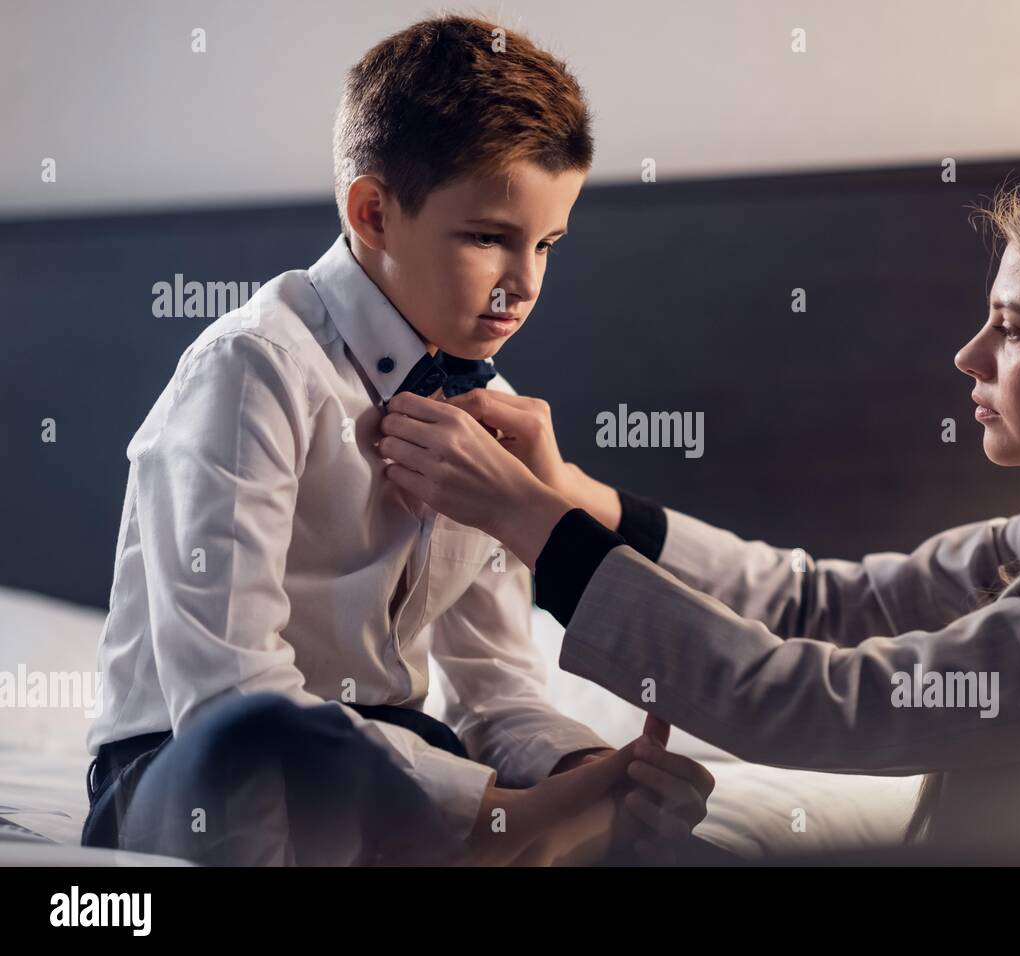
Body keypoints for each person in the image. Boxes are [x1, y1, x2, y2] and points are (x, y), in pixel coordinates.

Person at [375, 174, 1020, 864]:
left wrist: (531, 523)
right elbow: (825, 603)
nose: (968, 353)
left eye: (1012, 330)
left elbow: (812, 701)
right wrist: (579, 498)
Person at [82, 14, 712, 867]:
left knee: (467, 753)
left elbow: (497, 691)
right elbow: (226, 689)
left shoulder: (497, 411)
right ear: (373, 213)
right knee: (274, 735)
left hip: (399, 746)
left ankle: (520, 820)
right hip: (186, 767)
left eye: (548, 244)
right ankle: (509, 828)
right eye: (489, 238)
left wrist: (592, 766)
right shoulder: (254, 367)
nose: (523, 284)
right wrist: (503, 804)